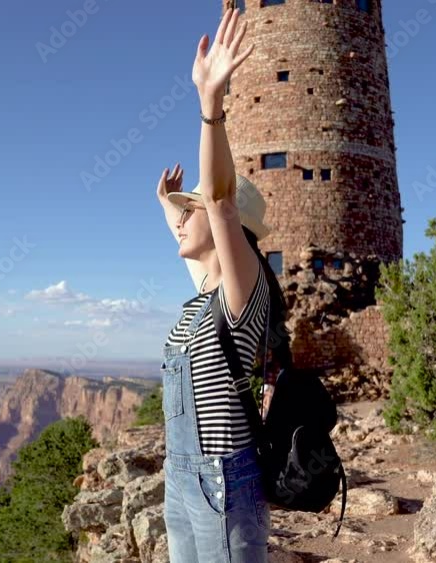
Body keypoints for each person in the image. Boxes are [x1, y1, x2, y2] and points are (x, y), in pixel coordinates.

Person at [152, 8, 291, 562]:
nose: (184, 220)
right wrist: (169, 207)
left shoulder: (242, 295)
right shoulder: (205, 295)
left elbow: (220, 202)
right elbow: (193, 233)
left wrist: (211, 107)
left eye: (193, 211)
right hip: (180, 477)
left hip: (222, 479)